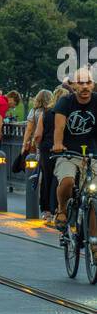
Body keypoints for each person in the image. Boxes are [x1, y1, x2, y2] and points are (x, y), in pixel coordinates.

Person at [51, 68, 97, 232]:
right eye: (80, 83)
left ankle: (94, 242)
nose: (85, 86)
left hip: (92, 154)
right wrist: (58, 144)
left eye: (88, 82)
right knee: (67, 180)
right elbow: (59, 127)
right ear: (73, 85)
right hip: (69, 152)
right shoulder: (65, 102)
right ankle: (62, 210)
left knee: (93, 197)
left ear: (93, 85)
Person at [33, 86, 64, 222]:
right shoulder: (67, 114)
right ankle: (58, 209)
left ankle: (46, 211)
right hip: (63, 149)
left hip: (46, 150)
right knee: (59, 179)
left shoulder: (45, 113)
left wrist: (37, 147)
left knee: (47, 179)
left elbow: (38, 135)